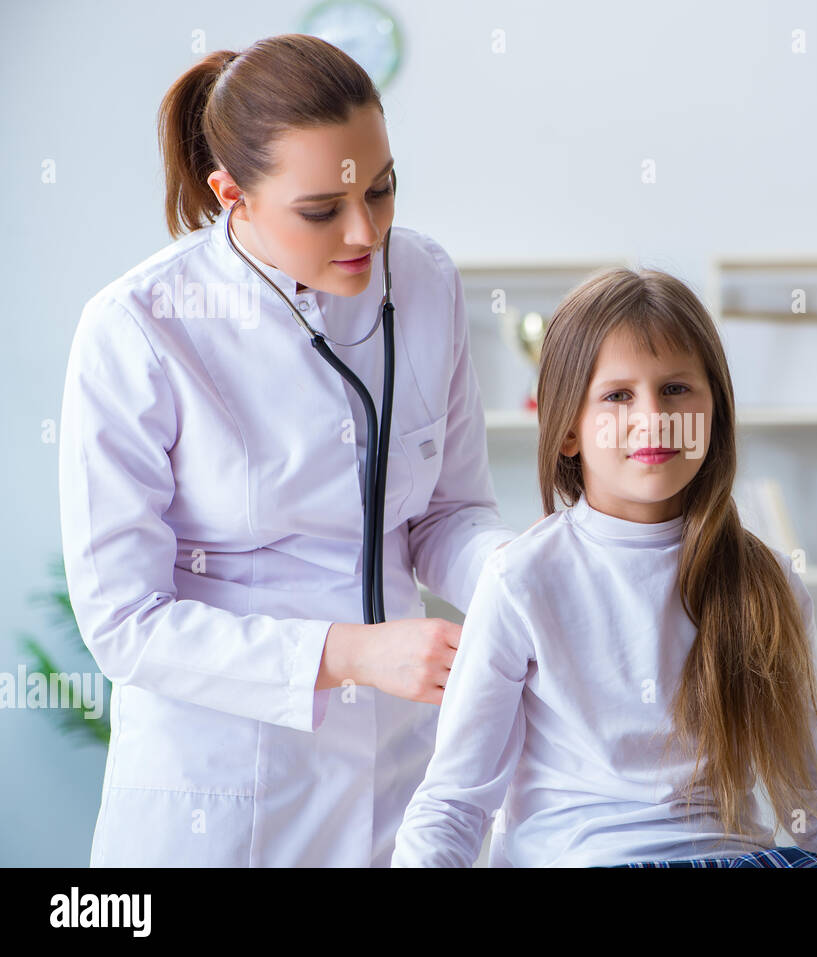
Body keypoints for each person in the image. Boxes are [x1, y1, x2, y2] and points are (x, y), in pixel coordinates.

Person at [57, 34, 516, 866]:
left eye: (382, 190)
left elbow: (446, 514)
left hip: (395, 775)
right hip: (218, 789)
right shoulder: (139, 327)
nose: (365, 230)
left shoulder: (425, 281)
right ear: (230, 193)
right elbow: (124, 621)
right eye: (321, 210)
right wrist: (350, 651)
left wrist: (525, 576)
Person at [391, 267, 817, 867]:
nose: (654, 418)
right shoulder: (521, 579)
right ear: (568, 429)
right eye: (618, 395)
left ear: (715, 412)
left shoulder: (766, 582)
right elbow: (454, 805)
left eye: (676, 389)